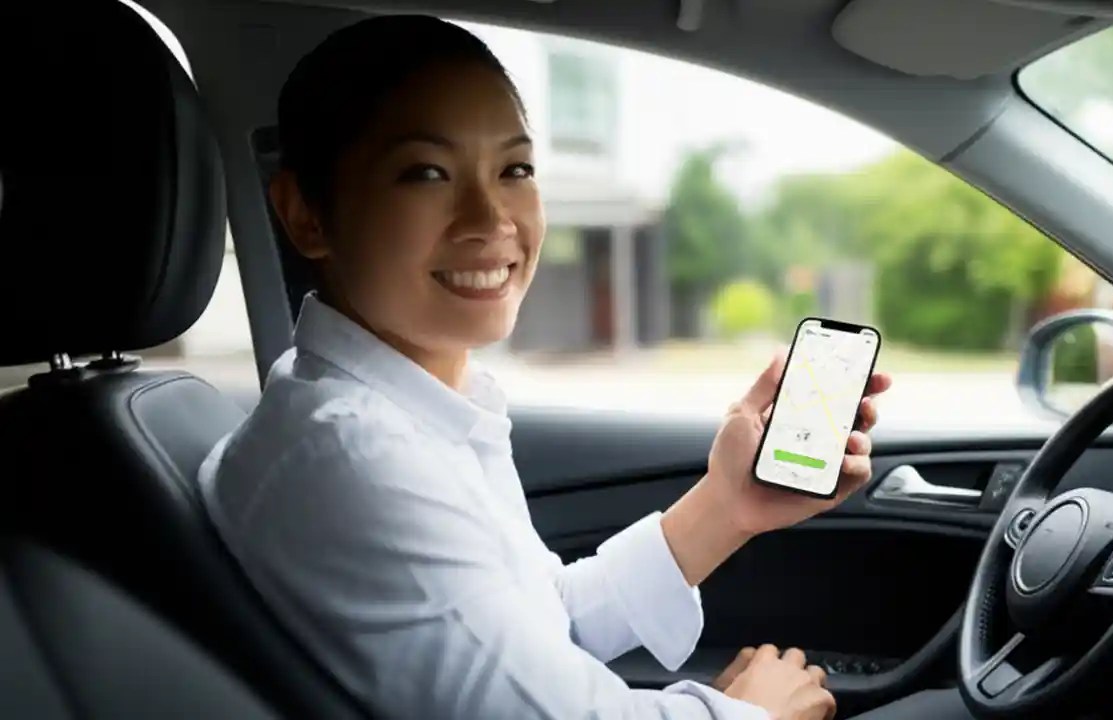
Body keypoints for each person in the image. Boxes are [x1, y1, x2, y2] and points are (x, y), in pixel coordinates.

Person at [200, 15, 898, 720]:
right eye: (426, 173)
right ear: (306, 214)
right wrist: (758, 715)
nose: (491, 217)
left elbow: (535, 623)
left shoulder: (393, 413)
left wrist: (727, 506)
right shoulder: (351, 451)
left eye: (516, 170)